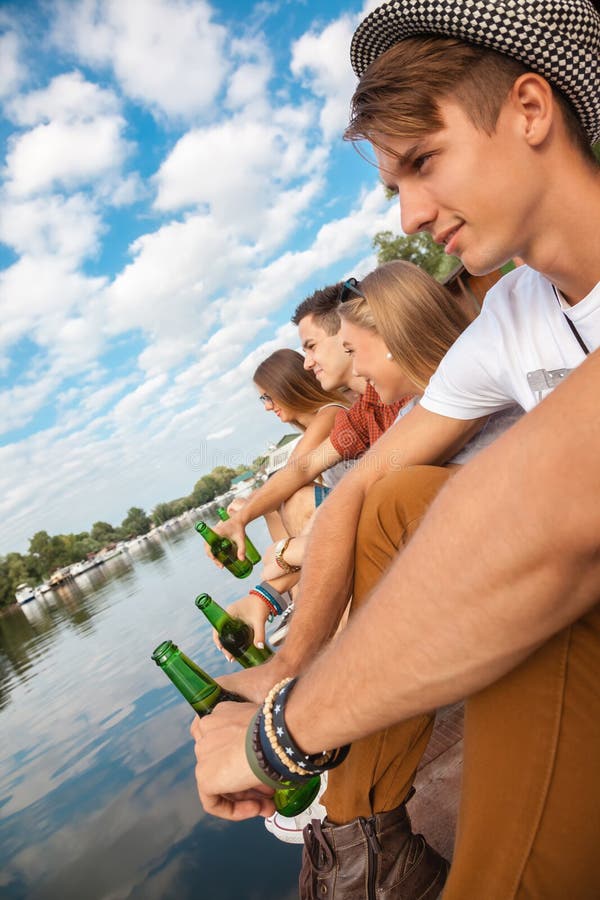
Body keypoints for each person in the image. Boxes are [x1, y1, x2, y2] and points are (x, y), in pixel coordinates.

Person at [191, 1, 600, 898]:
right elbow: (350, 494)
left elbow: (553, 511)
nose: (410, 214)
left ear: (531, 110)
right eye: (395, 187)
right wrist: (288, 667)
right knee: (390, 502)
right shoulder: (515, 312)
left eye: (424, 162)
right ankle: (363, 844)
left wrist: (284, 735)